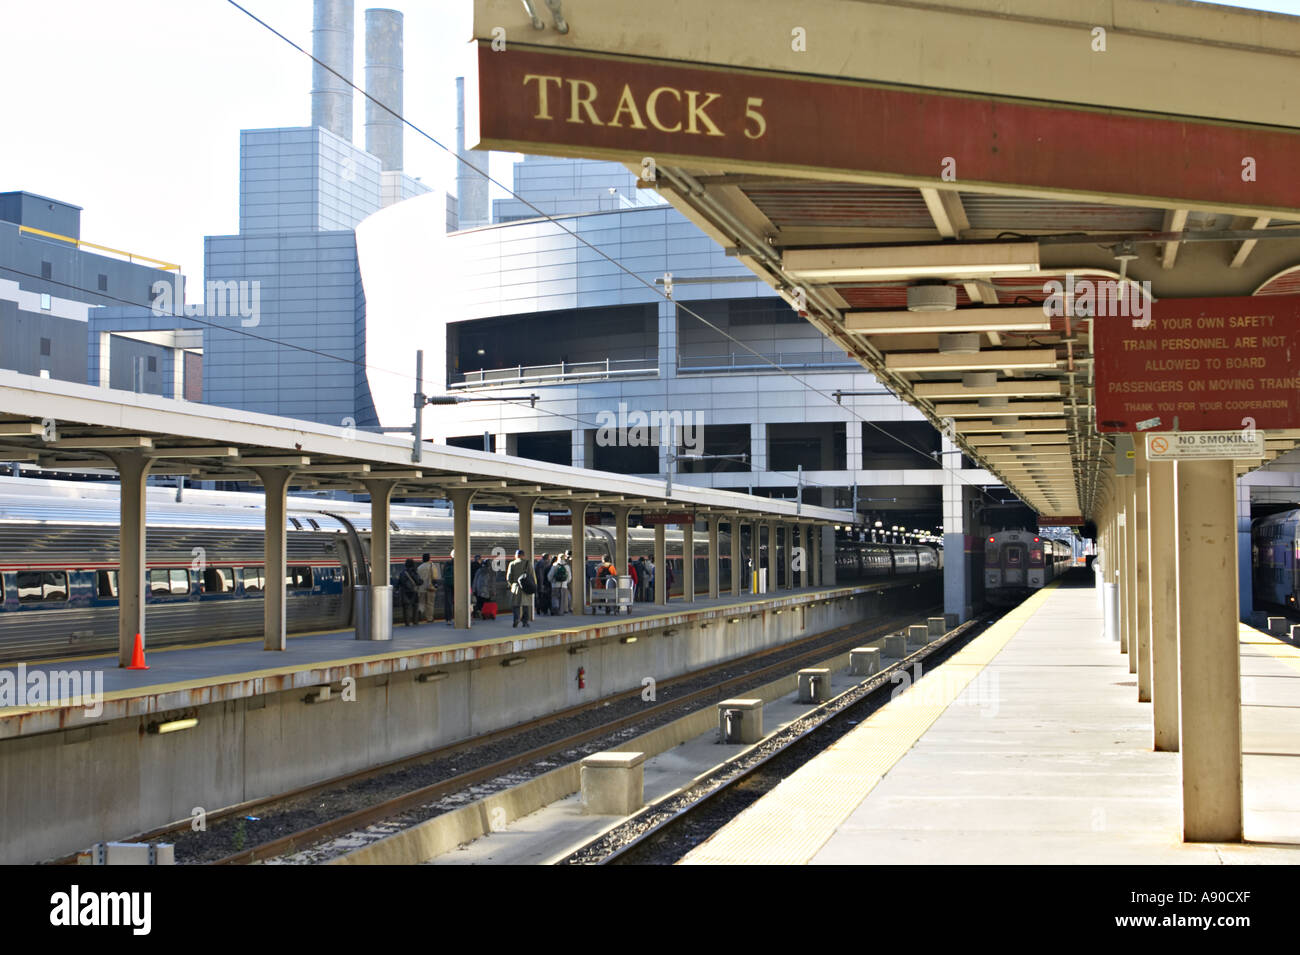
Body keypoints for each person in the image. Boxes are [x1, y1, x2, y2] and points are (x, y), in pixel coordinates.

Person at [507, 548, 535, 628]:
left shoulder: (512, 564)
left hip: (516, 587)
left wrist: (513, 584)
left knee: (516, 605)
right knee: (525, 605)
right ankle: (525, 621)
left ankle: (516, 619)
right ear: (523, 555)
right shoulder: (527, 563)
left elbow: (508, 577)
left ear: (516, 556)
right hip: (526, 586)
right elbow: (532, 575)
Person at [397, 558, 421, 627]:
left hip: (405, 592)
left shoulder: (402, 573)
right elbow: (419, 582)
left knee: (406, 608)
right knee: (415, 606)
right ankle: (415, 621)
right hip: (414, 591)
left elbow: (399, 582)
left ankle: (407, 623)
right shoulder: (414, 572)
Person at [416, 552, 438, 623]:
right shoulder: (432, 566)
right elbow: (435, 577)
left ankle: (420, 612)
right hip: (430, 587)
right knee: (430, 604)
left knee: (422, 603)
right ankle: (429, 618)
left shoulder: (419, 567)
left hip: (421, 588)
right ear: (429, 558)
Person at [442, 549, 456, 626]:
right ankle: (459, 617)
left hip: (447, 584)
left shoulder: (446, 563)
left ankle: (448, 619)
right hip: (457, 583)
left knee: (448, 602)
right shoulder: (459, 563)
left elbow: (443, 574)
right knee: (459, 601)